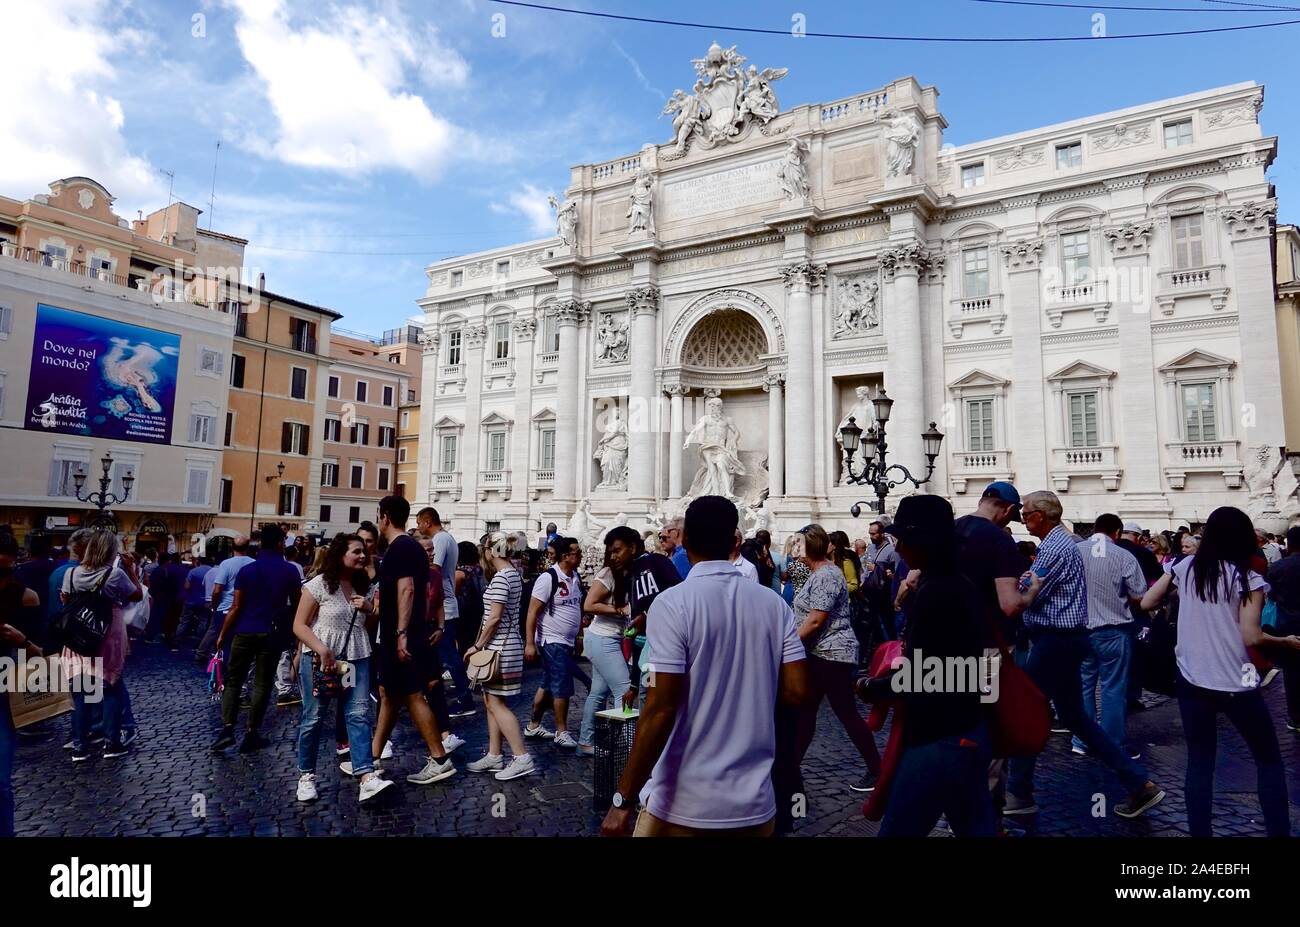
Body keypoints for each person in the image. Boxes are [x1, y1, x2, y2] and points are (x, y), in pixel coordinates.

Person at [600, 496, 810, 837]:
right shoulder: (774, 604)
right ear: (734, 542)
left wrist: (622, 800)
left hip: (685, 805)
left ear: (686, 541)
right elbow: (798, 691)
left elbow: (660, 709)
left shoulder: (672, 604)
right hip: (755, 804)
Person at [1004, 491, 1165, 820]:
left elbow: (1025, 597)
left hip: (1054, 641)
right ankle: (1138, 784)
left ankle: (1019, 792)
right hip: (1067, 639)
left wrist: (1017, 588)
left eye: (1028, 512)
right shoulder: (1062, 543)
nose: (1023, 516)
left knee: (1025, 710)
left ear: (1044, 516)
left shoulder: (1054, 547)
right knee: (1076, 717)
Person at [1141, 506, 1297, 837]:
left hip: (1192, 678)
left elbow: (1146, 602)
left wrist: (1173, 570)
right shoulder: (1246, 578)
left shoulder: (1186, 568)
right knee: (1268, 760)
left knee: (1200, 762)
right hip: (1235, 681)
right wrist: (1282, 641)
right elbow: (1251, 636)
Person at [857, 495, 998, 836]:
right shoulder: (959, 585)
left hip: (938, 736)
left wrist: (869, 688)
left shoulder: (937, 592)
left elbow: (920, 676)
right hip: (967, 730)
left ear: (922, 544)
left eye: (903, 539)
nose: (899, 546)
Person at [291, 533, 393, 803]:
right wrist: (322, 648)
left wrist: (371, 609)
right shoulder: (319, 585)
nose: (362, 556)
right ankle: (307, 776)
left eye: (364, 552)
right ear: (340, 555)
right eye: (356, 552)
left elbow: (366, 628)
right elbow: (299, 625)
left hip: (356, 657)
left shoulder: (365, 586)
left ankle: (366, 776)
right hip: (321, 660)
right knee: (314, 718)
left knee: (358, 714)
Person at [953, 480, 1032, 819]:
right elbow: (1010, 605)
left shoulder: (951, 530)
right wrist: (1032, 592)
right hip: (986, 647)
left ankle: (954, 797)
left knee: (954, 721)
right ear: (1008, 510)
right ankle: (985, 807)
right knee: (989, 722)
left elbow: (912, 582)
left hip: (944, 647)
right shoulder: (1000, 540)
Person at [788, 524, 882, 796]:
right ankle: (791, 768)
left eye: (799, 544)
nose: (795, 550)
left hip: (832, 654)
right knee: (808, 712)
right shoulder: (817, 573)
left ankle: (877, 768)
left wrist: (787, 644)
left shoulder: (827, 575)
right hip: (822, 653)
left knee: (844, 713)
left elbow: (817, 619)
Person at [369, 496, 456, 785]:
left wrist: (401, 634)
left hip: (402, 635)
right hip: (406, 633)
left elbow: (406, 590)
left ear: (385, 517)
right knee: (390, 695)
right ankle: (371, 758)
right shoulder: (412, 547)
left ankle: (440, 758)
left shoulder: (400, 549)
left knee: (412, 694)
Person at [211, 525, 302, 754]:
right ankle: (252, 732)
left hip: (244, 630)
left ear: (261, 544)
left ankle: (228, 728)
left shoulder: (248, 571)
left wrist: (222, 634)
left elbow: (236, 606)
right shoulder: (290, 571)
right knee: (263, 683)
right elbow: (297, 605)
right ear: (281, 543)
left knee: (234, 680)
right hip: (272, 632)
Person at [59, 531, 143, 762]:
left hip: (78, 634)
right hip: (107, 634)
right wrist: (132, 571)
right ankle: (111, 742)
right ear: (111, 550)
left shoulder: (71, 573)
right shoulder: (114, 574)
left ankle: (79, 745)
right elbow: (136, 596)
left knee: (80, 691)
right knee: (109, 688)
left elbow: (65, 601)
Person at [1071, 515, 1146, 760]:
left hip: (1079, 630)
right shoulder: (1124, 556)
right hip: (1113, 629)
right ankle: (1113, 744)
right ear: (1116, 533)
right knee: (1113, 689)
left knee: (1083, 687)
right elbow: (1139, 596)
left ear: (1093, 530)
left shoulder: (1075, 551)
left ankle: (1081, 740)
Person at [465, 532, 536, 780]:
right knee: (491, 701)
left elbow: (494, 618)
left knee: (496, 703)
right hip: (506, 646)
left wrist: (477, 646)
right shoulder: (513, 576)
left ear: (490, 551)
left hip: (499, 648)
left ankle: (521, 756)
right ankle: (495, 755)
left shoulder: (501, 579)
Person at [579, 527, 639, 755]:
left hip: (604, 639)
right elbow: (589, 604)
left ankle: (586, 742)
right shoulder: (607, 573)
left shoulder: (624, 573)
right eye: (611, 551)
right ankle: (629, 745)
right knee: (623, 689)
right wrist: (621, 610)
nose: (613, 556)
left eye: (617, 551)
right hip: (602, 639)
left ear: (632, 549)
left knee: (598, 693)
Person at [523, 535, 584, 747]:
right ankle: (561, 731)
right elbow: (532, 612)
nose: (581, 555)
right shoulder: (548, 578)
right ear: (565, 556)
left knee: (548, 683)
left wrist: (578, 636)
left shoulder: (575, 576)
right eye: (577, 552)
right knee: (562, 685)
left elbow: (575, 608)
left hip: (566, 639)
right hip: (551, 639)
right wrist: (530, 643)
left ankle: (533, 724)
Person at [1, 533, 43, 834]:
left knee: (1, 782)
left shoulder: (24, 597)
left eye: (5, 571)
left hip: (3, 696)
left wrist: (22, 641)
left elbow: (41, 656)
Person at [416, 507, 474, 719]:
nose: (418, 527)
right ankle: (438, 695)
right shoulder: (448, 538)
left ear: (427, 521)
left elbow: (434, 570)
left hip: (443, 605)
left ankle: (464, 698)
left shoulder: (439, 540)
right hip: (447, 604)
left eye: (419, 522)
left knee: (449, 655)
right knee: (442, 656)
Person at [199, 536, 254, 665]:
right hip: (246, 609)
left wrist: (214, 606)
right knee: (242, 645)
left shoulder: (226, 564)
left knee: (223, 643)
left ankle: (223, 674)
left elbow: (217, 590)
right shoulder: (253, 563)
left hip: (225, 609)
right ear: (247, 548)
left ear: (232, 548)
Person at [1268, 526, 1300, 732]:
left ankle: (1296, 717)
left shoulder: (1278, 567)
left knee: (1293, 673)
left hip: (1289, 625)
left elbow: (1271, 595)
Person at [455, 541, 486, 656]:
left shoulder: (459, 573)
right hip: (479, 610)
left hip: (464, 613)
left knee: (463, 644)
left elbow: (454, 594)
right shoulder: (480, 570)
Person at [177, 556, 213, 647]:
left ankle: (177, 639)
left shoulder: (193, 571)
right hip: (205, 601)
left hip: (191, 600)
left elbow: (186, 586)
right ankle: (199, 642)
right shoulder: (212, 572)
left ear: (199, 561)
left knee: (184, 620)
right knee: (203, 621)